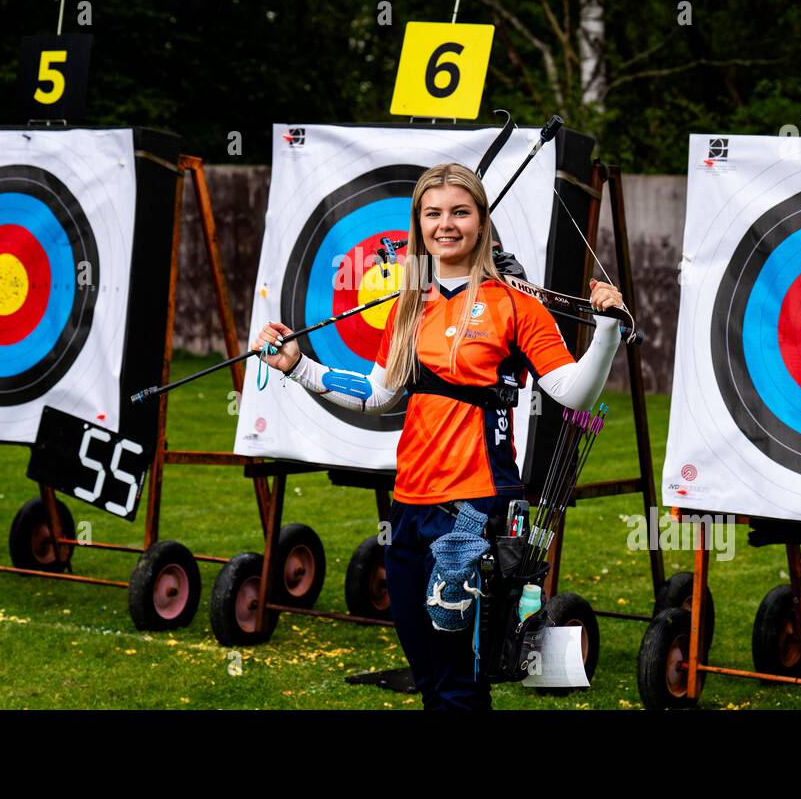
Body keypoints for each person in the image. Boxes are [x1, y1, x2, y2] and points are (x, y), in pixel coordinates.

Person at [252, 162, 624, 710]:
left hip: (473, 510)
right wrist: (298, 366)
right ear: (419, 222)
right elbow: (380, 393)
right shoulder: (411, 303)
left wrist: (608, 329)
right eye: (433, 213)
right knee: (427, 673)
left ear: (481, 221)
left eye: (459, 212)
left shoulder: (515, 305)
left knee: (459, 681)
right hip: (409, 506)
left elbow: (574, 392)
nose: (445, 225)